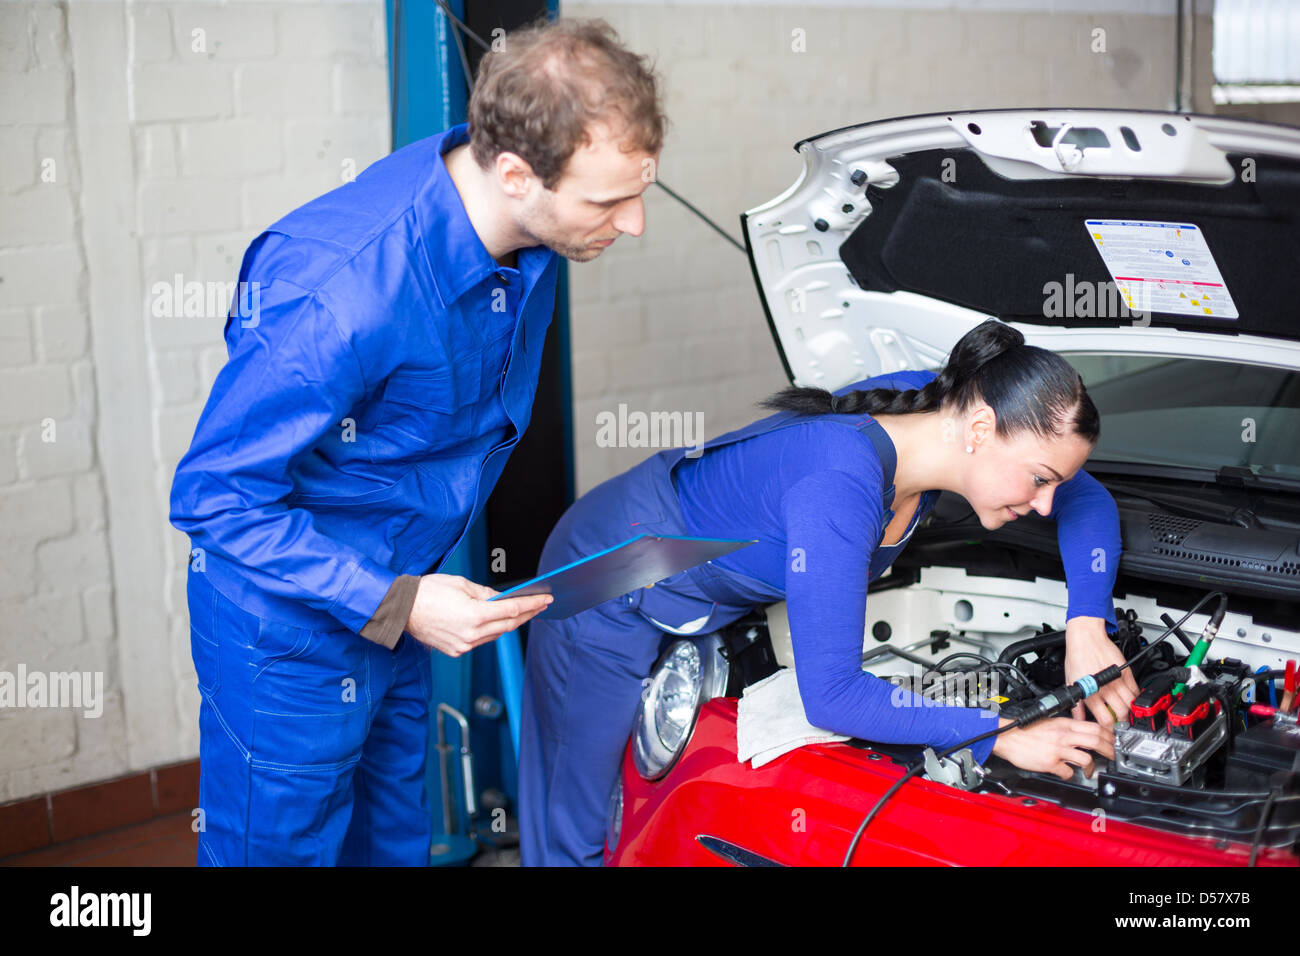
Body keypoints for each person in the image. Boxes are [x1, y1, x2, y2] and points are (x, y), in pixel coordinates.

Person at [168, 18, 665, 866]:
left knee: (394, 848)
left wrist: (406, 604)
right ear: (514, 173)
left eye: (641, 189)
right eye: (608, 200)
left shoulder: (526, 238)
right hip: (288, 638)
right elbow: (214, 496)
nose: (636, 223)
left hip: (399, 612)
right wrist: (397, 600)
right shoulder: (338, 289)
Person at [519, 319, 1140, 866]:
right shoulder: (839, 487)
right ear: (981, 427)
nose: (1045, 503)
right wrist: (1001, 732)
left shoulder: (943, 400)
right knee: (575, 820)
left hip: (706, 583)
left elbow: (1089, 498)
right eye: (1038, 479)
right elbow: (834, 698)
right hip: (611, 574)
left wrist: (1088, 625)